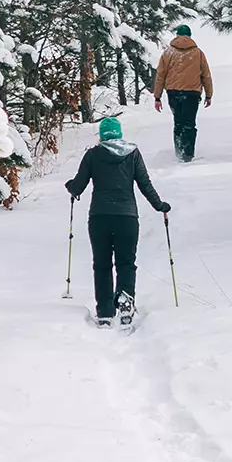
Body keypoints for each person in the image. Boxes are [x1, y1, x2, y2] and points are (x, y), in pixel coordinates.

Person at [65, 116, 170, 326]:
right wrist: (160, 205)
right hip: (127, 217)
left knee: (102, 264)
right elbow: (145, 184)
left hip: (99, 218)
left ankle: (104, 310)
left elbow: (78, 186)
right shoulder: (133, 154)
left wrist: (70, 186)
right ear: (119, 134)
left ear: (102, 136)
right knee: (126, 263)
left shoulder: (93, 155)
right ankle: (125, 303)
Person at [152, 24, 212, 162]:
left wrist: (157, 96)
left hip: (173, 93)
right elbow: (206, 76)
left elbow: (160, 75)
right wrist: (209, 95)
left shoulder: (168, 53)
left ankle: (179, 151)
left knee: (178, 122)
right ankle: (188, 154)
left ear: (177, 35)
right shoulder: (198, 53)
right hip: (192, 93)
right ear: (190, 36)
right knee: (189, 123)